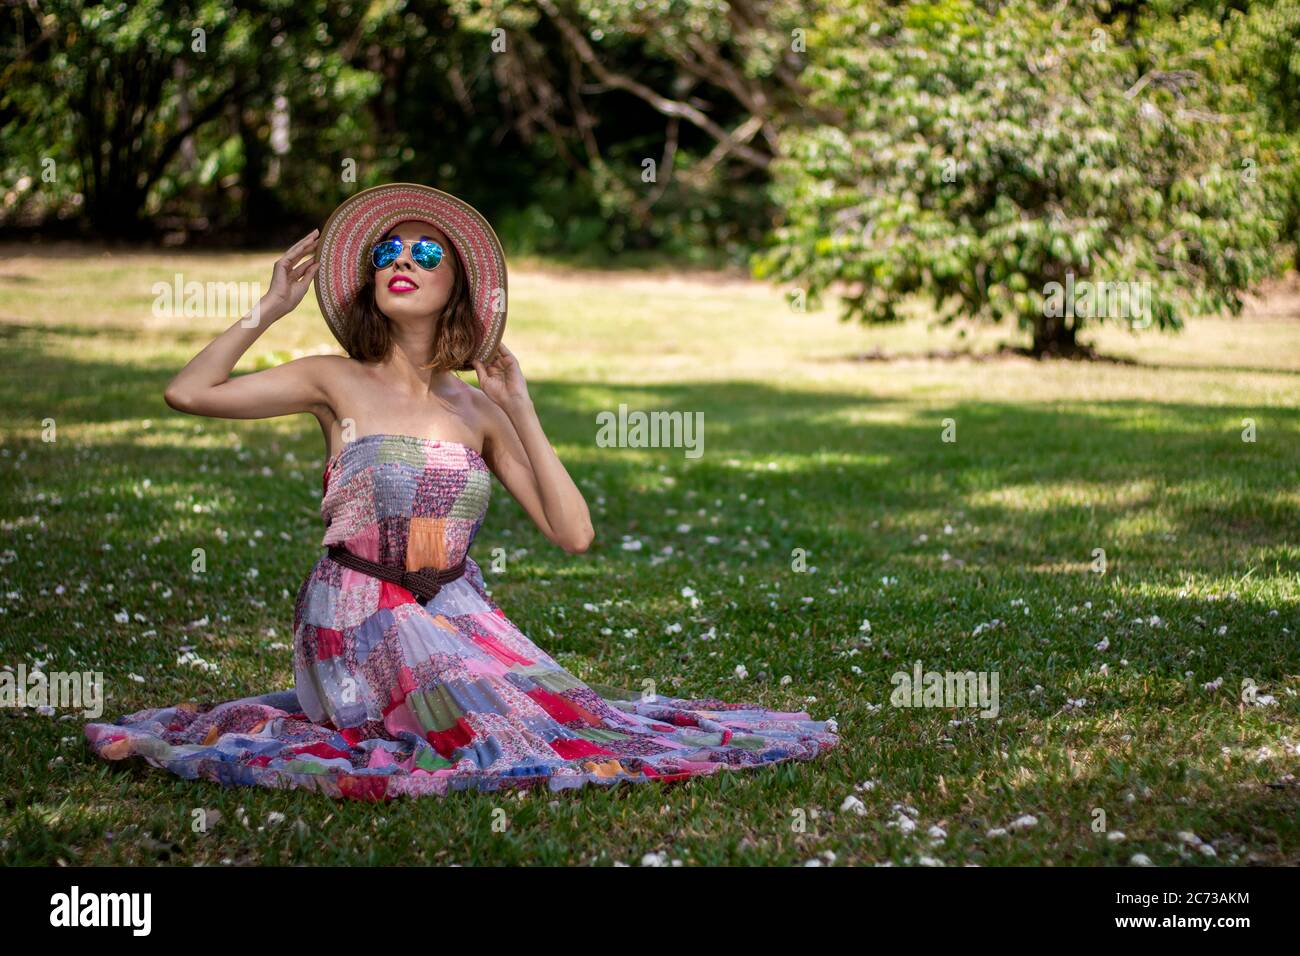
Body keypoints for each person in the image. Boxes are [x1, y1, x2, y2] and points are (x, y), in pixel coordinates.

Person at [84, 183, 839, 799]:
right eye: (386, 252)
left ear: (457, 287)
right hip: (354, 612)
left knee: (562, 716)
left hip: (453, 607)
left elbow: (573, 534)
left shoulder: (477, 411)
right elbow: (189, 392)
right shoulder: (331, 380)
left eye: (423, 252)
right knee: (487, 733)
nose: (399, 261)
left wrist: (520, 406)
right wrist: (268, 308)